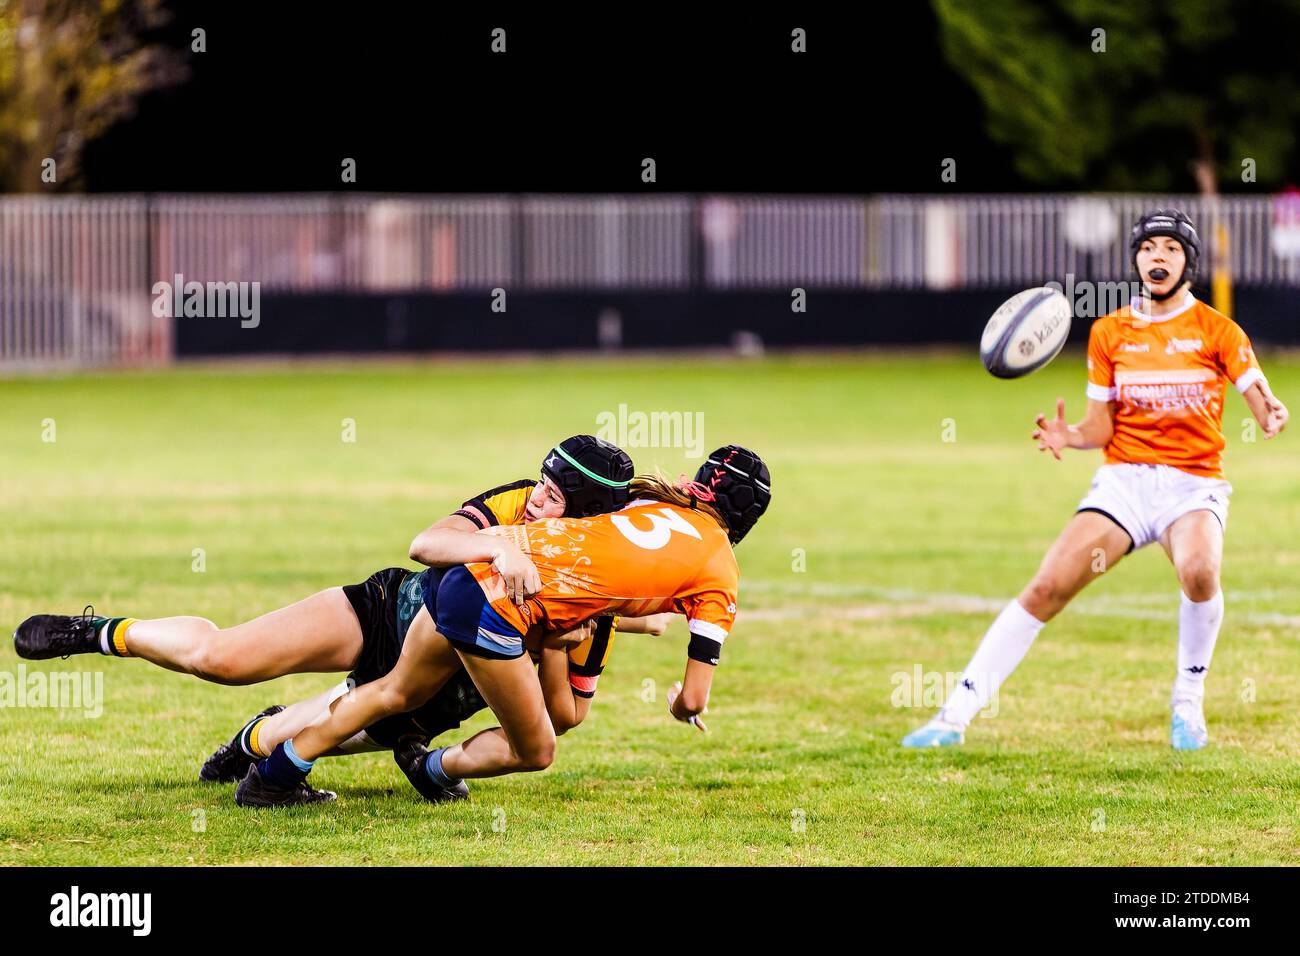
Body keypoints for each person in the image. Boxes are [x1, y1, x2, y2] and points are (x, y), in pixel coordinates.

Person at [903, 209, 1289, 751]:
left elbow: (1256, 390)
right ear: (1135, 259)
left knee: (1200, 571)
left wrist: (1269, 411)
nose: (1159, 257)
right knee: (1046, 588)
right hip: (1125, 483)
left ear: (1189, 264)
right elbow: (1102, 426)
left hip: (1192, 483)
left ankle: (1188, 701)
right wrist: (1070, 435)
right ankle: (951, 717)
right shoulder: (1110, 333)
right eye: (1149, 248)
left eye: (1172, 249)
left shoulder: (1217, 330)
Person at [235, 445, 772, 807]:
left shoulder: (648, 501)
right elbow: (693, 697)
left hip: (465, 573)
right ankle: (434, 771)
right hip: (495, 604)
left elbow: (644, 609)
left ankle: (276, 775)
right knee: (537, 750)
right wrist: (681, 702)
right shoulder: (720, 569)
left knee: (392, 691)